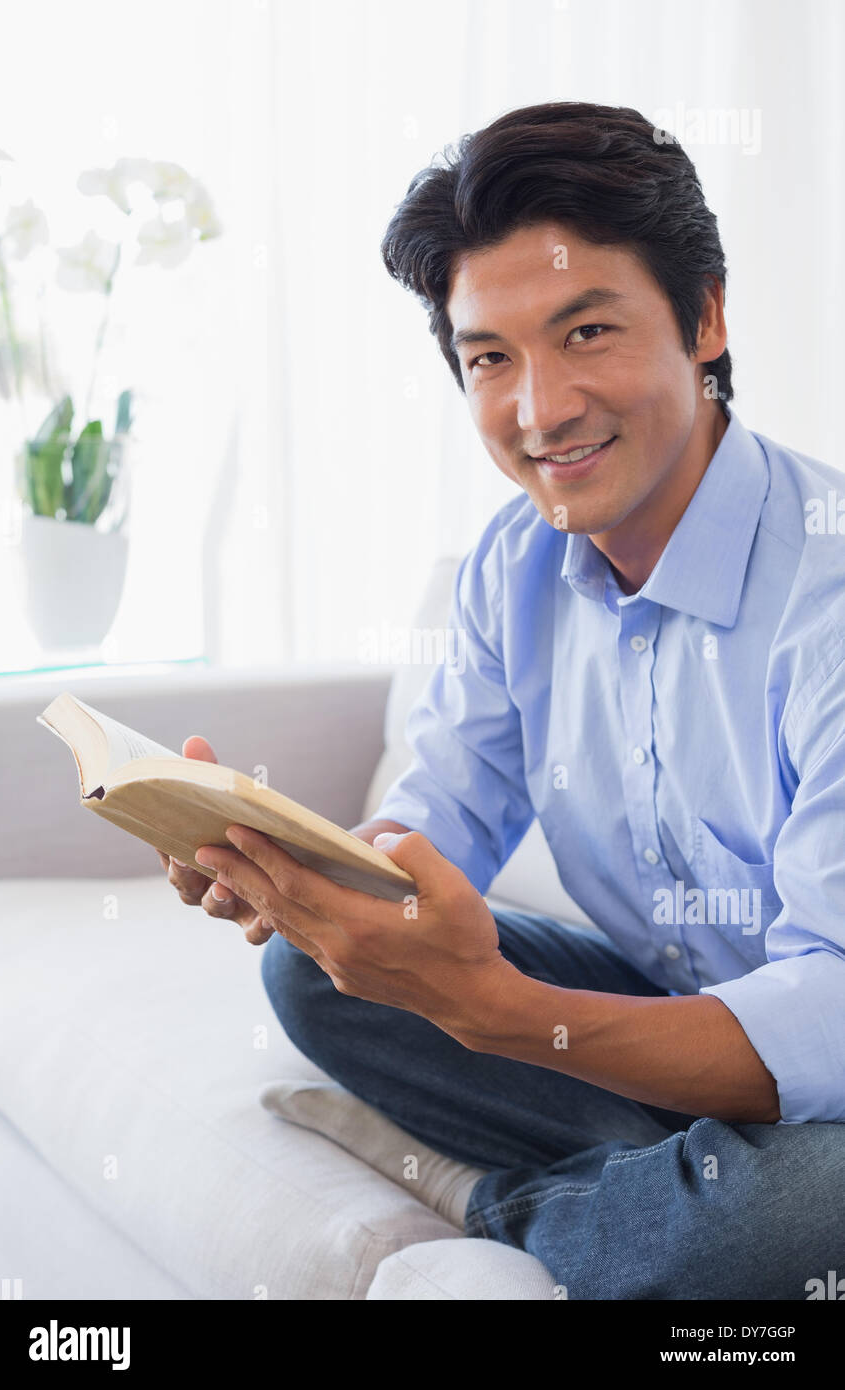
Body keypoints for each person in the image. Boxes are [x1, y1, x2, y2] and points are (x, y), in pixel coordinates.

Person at [162, 102, 845, 1300]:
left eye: (586, 330)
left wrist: (506, 1014)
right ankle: (673, 1191)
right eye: (491, 358)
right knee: (311, 973)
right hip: (672, 1023)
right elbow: (436, 829)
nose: (540, 410)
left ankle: (509, 1201)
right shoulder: (510, 566)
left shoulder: (826, 588)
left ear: (704, 318)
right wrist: (300, 871)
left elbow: (831, 1014)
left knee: (778, 1225)